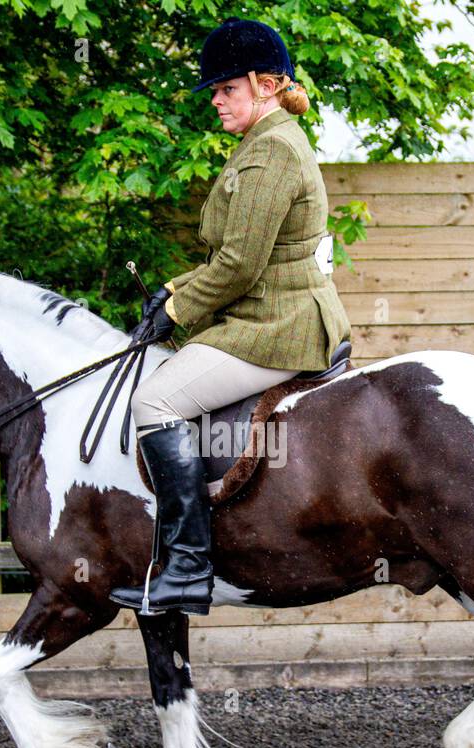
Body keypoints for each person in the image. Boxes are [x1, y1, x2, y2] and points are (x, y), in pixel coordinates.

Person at [109, 17, 352, 616]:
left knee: (154, 403)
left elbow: (241, 266)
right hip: (267, 311)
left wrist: (177, 310)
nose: (216, 101)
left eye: (228, 90)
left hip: (278, 325)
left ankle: (188, 566)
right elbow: (237, 256)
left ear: (266, 85)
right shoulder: (264, 143)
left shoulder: (271, 152)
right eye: (214, 92)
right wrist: (170, 289)